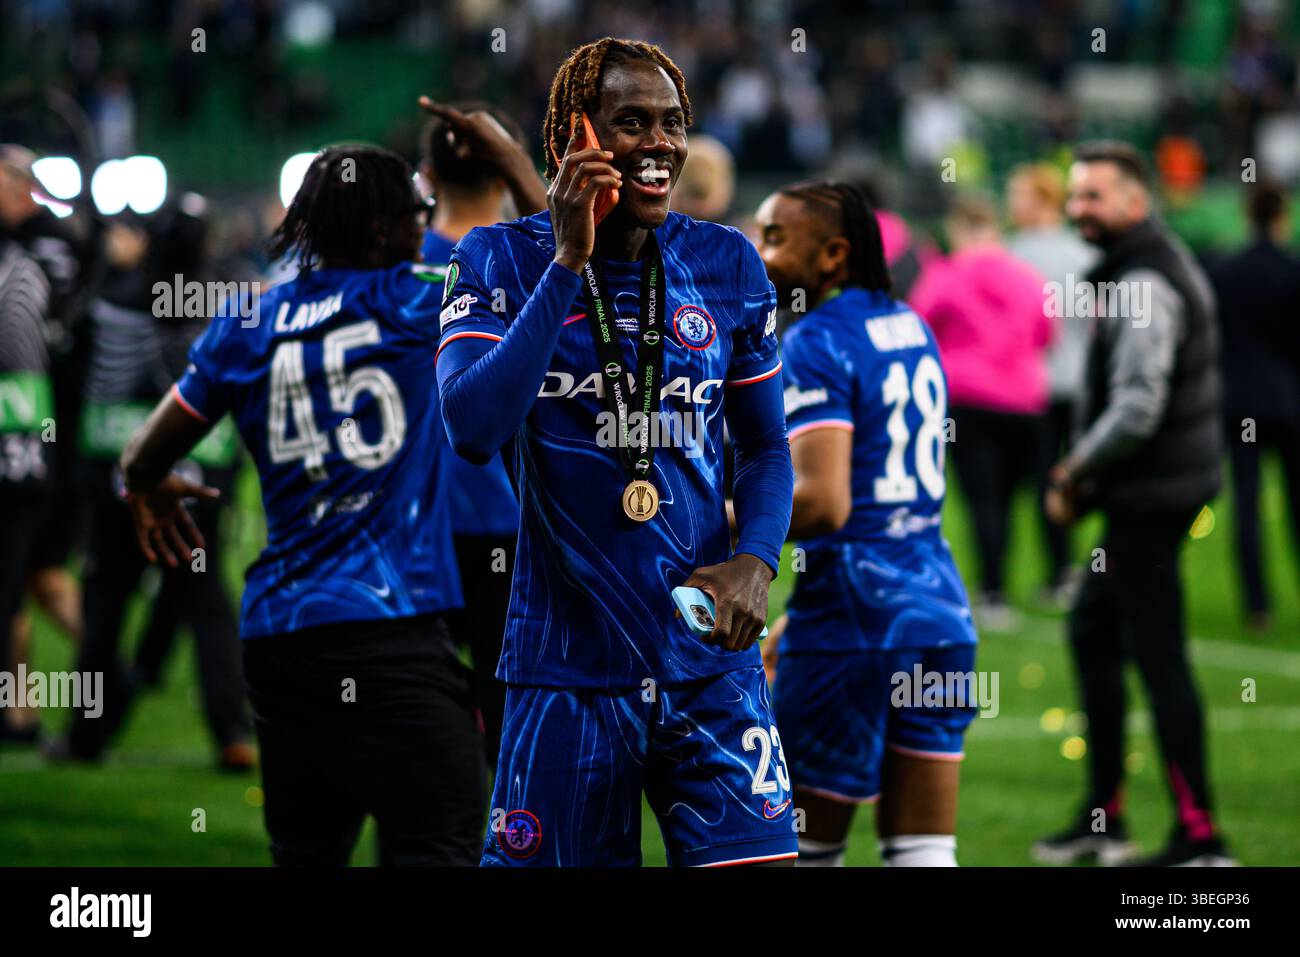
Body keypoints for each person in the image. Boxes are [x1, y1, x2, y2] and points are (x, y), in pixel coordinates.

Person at [436, 37, 796, 867]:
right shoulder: (497, 257)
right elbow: (474, 427)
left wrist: (758, 559)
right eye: (630, 122)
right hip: (566, 667)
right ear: (571, 140)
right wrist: (568, 260)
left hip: (710, 660)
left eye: (671, 123)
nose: (659, 144)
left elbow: (767, 446)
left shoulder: (727, 262)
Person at [119, 146, 485, 865]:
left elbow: (140, 458)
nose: (426, 224)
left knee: (307, 851)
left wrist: (150, 490)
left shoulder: (248, 320)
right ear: (383, 228)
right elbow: (558, 260)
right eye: (417, 213)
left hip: (281, 637)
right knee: (440, 845)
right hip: (392, 627)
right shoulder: (421, 298)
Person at [752, 180, 977, 867]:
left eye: (774, 238)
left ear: (833, 255)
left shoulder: (817, 337)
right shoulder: (910, 323)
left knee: (804, 849)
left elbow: (824, 501)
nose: (759, 254)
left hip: (852, 625)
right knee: (924, 850)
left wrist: (717, 515)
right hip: (939, 616)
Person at [1036, 141, 1233, 867]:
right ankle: (1105, 817)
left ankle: (1201, 838)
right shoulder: (1138, 266)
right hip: (1151, 492)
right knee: (1095, 631)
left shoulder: (1145, 281)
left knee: (1158, 657)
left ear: (1135, 199)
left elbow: (1139, 404)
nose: (1078, 207)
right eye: (1074, 194)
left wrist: (1073, 474)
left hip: (1153, 496)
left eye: (1093, 195)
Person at [46, 209, 253, 768]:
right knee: (208, 606)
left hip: (117, 480)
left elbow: (71, 382)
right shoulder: (221, 306)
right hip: (199, 479)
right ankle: (232, 731)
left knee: (106, 605)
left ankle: (85, 737)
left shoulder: (108, 301)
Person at [416, 98, 546, 767]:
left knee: (417, 712)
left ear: (427, 177)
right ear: (504, 175)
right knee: (512, 710)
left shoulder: (390, 274)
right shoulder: (544, 270)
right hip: (510, 514)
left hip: (412, 522)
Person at [910, 193, 1054, 628]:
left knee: (982, 499)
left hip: (969, 399)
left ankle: (992, 590)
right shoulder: (1027, 275)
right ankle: (1010, 582)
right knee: (1010, 497)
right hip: (1026, 399)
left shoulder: (947, 274)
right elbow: (1047, 332)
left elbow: (918, 323)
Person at [1207, 182, 1300, 630]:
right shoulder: (1292, 269)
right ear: (1281, 217)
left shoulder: (1226, 270)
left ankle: (1257, 604)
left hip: (1239, 401)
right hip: (1289, 401)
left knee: (1247, 501)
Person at [1005, 162, 1099, 602]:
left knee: (1029, 483)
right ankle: (1064, 571)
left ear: (1042, 199)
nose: (1012, 204)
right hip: (1078, 383)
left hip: (1033, 387)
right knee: (1066, 478)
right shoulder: (1085, 252)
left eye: (1020, 194)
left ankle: (1003, 582)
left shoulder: (1014, 254)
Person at [0, 238, 52, 739]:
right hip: (25, 461)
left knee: (15, 587)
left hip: (17, 462)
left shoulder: (18, 277)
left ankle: (19, 710)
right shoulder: (26, 273)